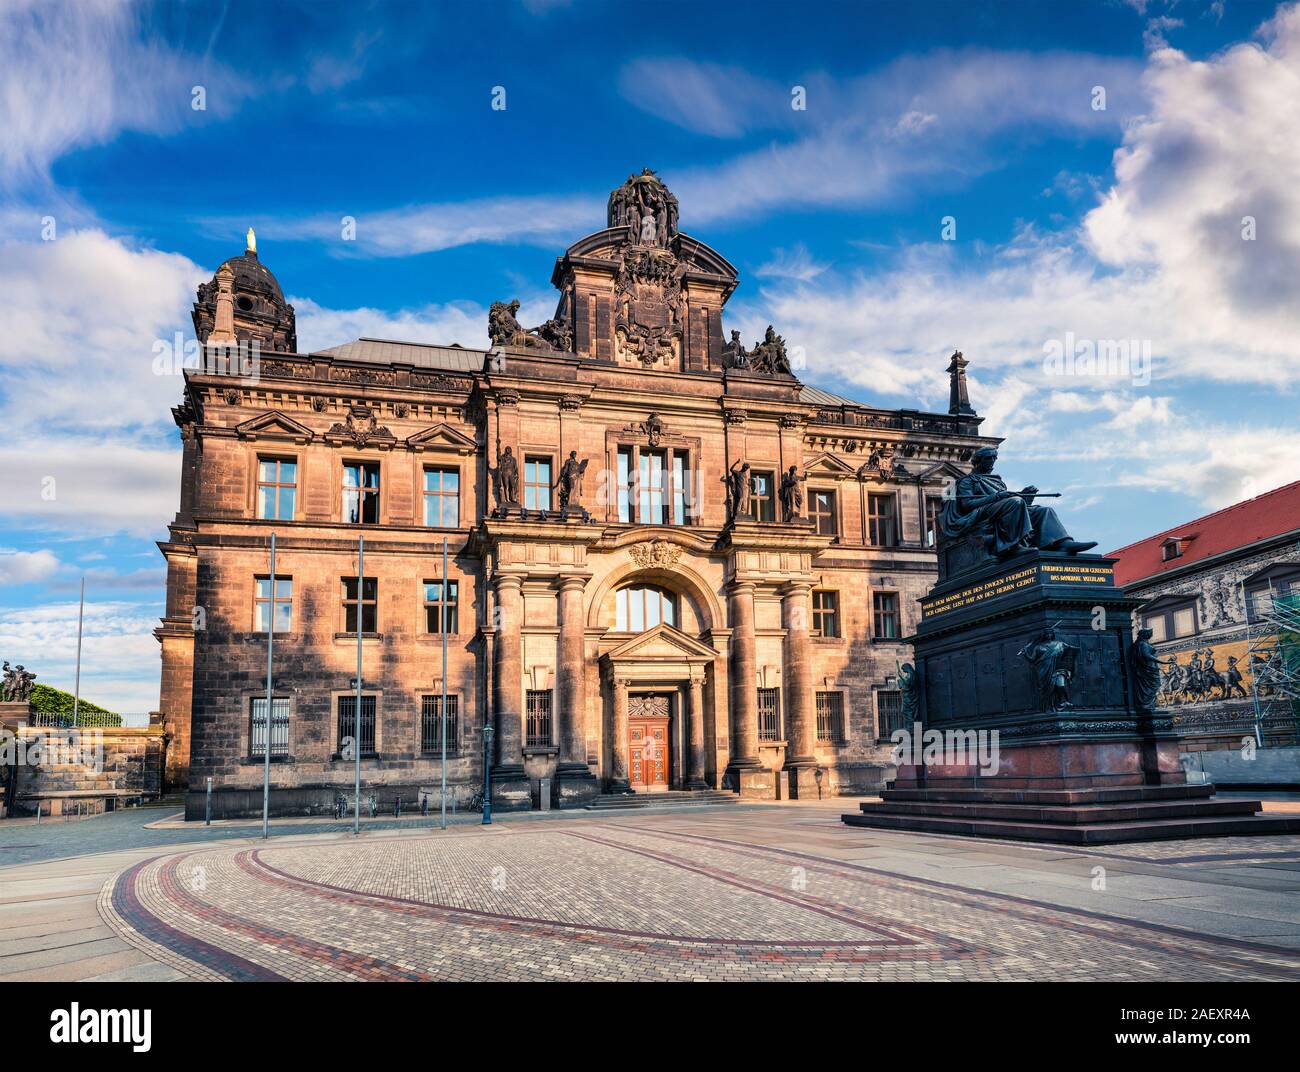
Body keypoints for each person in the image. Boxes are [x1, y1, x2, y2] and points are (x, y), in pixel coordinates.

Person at [939, 446, 1096, 557]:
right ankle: (1013, 546)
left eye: (994, 458)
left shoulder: (997, 481)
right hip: (981, 514)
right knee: (1014, 502)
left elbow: (1019, 508)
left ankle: (1061, 542)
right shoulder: (967, 481)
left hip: (1004, 510)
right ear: (978, 461)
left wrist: (1027, 497)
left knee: (1043, 510)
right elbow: (967, 505)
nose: (992, 461)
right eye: (989, 458)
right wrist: (998, 497)